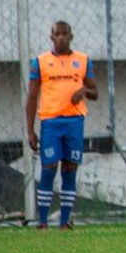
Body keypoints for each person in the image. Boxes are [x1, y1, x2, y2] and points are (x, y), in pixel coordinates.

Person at [25, 21, 98, 230]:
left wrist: (83, 91)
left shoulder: (83, 60)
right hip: (50, 122)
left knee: (70, 168)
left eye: (65, 34)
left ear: (71, 36)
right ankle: (42, 221)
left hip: (75, 122)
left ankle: (65, 221)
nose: (61, 38)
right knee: (48, 168)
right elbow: (31, 97)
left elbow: (95, 93)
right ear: (51, 37)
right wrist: (30, 130)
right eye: (57, 34)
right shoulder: (40, 62)